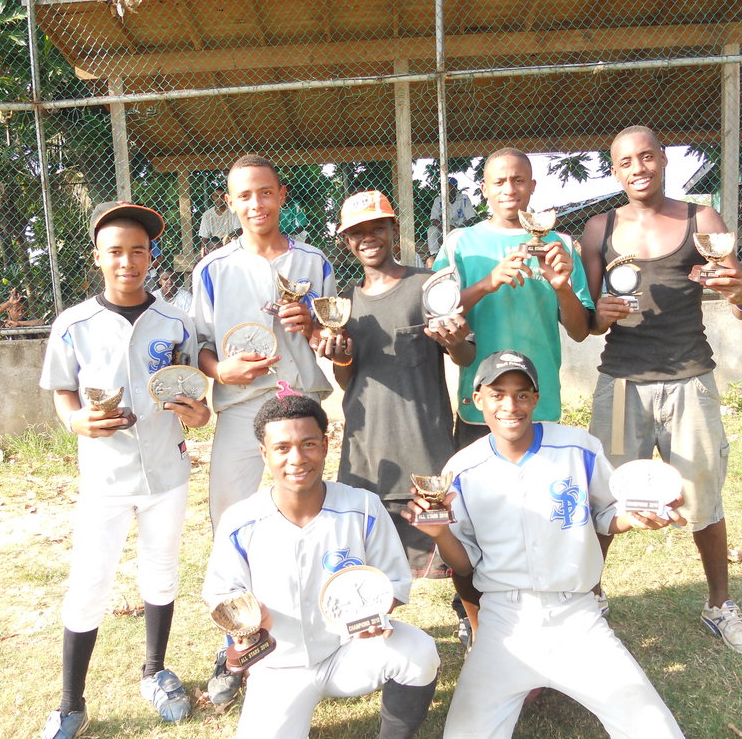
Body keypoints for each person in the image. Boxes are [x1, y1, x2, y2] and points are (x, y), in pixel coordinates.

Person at [406, 350, 685, 739]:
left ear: (536, 399)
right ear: (477, 399)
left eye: (522, 394)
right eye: (498, 394)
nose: (511, 405)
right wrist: (440, 534)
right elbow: (465, 563)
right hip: (505, 622)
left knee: (655, 728)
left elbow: (608, 512)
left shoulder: (577, 447)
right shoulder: (462, 469)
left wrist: (634, 517)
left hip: (577, 617)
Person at [579, 125, 742, 656]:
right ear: (614, 171)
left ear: (663, 159)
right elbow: (588, 322)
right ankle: (589, 601)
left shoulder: (700, 220)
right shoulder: (599, 228)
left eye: (646, 157)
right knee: (606, 496)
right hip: (622, 386)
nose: (637, 168)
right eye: (625, 162)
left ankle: (719, 605)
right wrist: (601, 314)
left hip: (689, 382)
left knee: (703, 497)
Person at [37, 201, 212, 738]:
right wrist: (76, 420)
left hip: (167, 470)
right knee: (90, 580)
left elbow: (191, 389)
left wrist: (200, 413)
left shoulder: (175, 321)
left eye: (138, 250)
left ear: (151, 255)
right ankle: (71, 703)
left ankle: (155, 672)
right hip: (105, 477)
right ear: (97, 257)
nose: (127, 262)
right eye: (115, 251)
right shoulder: (74, 324)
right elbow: (63, 389)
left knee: (161, 569)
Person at [203, 391, 440, 739]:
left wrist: (373, 615)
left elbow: (392, 581)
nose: (297, 458)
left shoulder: (362, 507)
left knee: (418, 651)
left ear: (326, 445)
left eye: (309, 444)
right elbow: (223, 593)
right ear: (264, 453)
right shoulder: (241, 521)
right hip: (278, 666)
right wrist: (248, 624)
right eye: (282, 448)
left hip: (350, 649)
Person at [432, 147, 593, 645]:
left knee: (546, 511)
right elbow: (437, 311)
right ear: (483, 188)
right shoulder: (461, 243)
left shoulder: (560, 243)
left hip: (538, 403)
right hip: (480, 405)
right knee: (474, 517)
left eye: (519, 180)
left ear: (533, 187)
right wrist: (488, 282)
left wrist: (562, 286)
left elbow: (581, 328)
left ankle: (553, 600)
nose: (509, 189)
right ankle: (471, 611)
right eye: (499, 181)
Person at [190, 154, 336, 703]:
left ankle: (314, 629)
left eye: (266, 192)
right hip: (240, 408)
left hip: (298, 403)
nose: (256, 204)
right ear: (229, 203)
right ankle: (237, 641)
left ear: (282, 195)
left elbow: (331, 331)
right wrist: (219, 370)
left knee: (306, 517)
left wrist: (313, 325)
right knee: (229, 520)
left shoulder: (313, 261)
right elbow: (200, 345)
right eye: (245, 195)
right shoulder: (213, 268)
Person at [313, 190, 475, 579]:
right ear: (346, 240)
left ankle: (471, 612)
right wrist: (341, 358)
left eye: (377, 228)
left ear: (394, 230)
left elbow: (466, 356)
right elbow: (347, 379)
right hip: (368, 458)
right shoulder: (345, 303)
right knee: (370, 571)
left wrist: (455, 341)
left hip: (425, 454)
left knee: (455, 565)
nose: (368, 238)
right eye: (357, 232)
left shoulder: (427, 287)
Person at [428, 176, 476, 255]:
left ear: (455, 188)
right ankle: (434, 254)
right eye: (442, 186)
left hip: (461, 229)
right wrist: (447, 227)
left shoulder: (463, 198)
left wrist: (458, 229)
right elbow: (433, 219)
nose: (444, 189)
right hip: (443, 230)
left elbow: (471, 218)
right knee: (432, 229)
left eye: (448, 186)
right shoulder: (438, 200)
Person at [199, 188, 241, 253]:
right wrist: (202, 252)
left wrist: (228, 235)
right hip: (214, 241)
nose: (219, 199)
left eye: (222, 196)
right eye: (217, 196)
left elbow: (239, 229)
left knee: (234, 239)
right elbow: (204, 237)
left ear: (226, 197)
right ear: (213, 197)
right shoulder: (207, 215)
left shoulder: (233, 211)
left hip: (228, 240)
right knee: (213, 244)